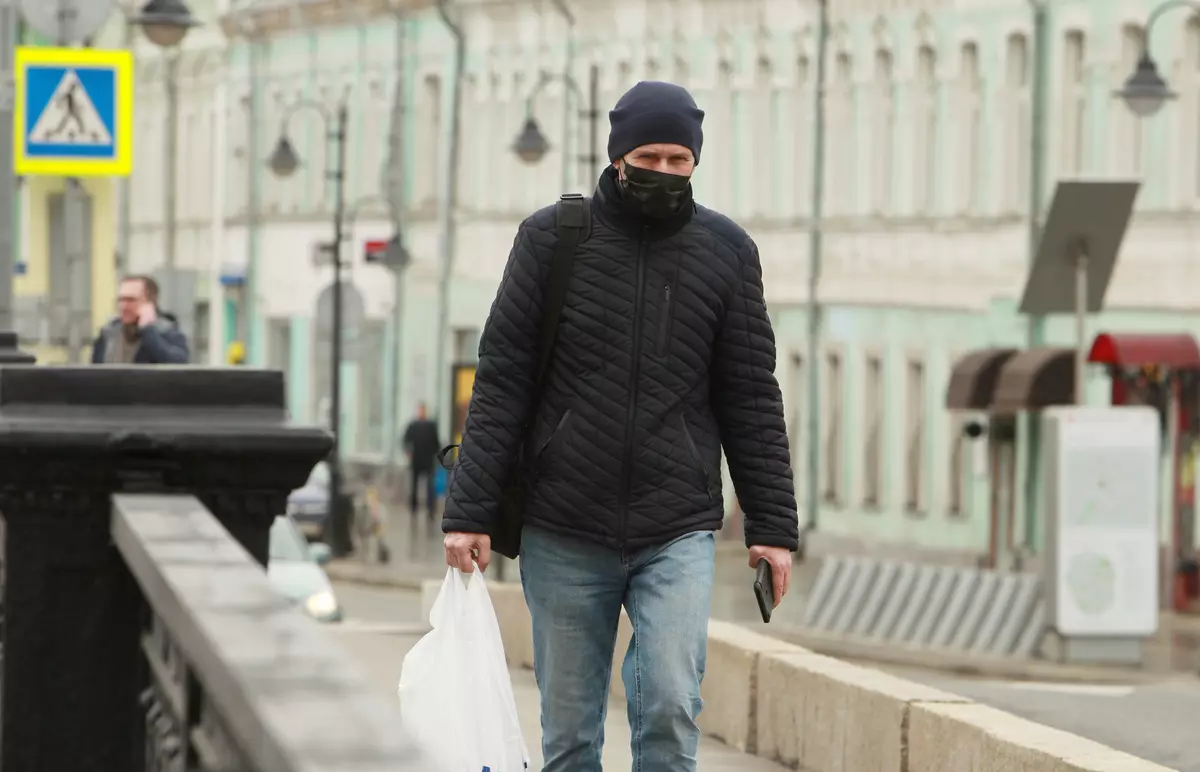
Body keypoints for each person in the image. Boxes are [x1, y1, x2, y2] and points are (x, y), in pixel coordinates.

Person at [442, 80, 799, 771]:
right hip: (564, 523)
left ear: (695, 163)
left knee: (670, 703)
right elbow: (503, 379)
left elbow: (751, 395)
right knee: (571, 735)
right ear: (616, 155)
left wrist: (773, 530)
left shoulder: (726, 252)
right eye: (649, 156)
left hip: (677, 523)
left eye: (678, 161)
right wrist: (469, 511)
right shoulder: (551, 239)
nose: (663, 172)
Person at [91, 275, 190, 364]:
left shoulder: (167, 332)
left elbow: (177, 365)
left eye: (131, 300)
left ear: (150, 303)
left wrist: (148, 331)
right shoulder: (109, 333)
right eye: (120, 300)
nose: (123, 306)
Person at [401, 402, 441, 518]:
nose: (421, 412)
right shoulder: (413, 426)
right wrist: (408, 452)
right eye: (420, 410)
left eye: (423, 410)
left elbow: (436, 443)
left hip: (428, 460)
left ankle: (430, 509)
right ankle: (413, 507)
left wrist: (436, 455)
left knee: (430, 485)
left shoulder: (431, 426)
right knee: (414, 485)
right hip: (416, 459)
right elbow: (406, 440)